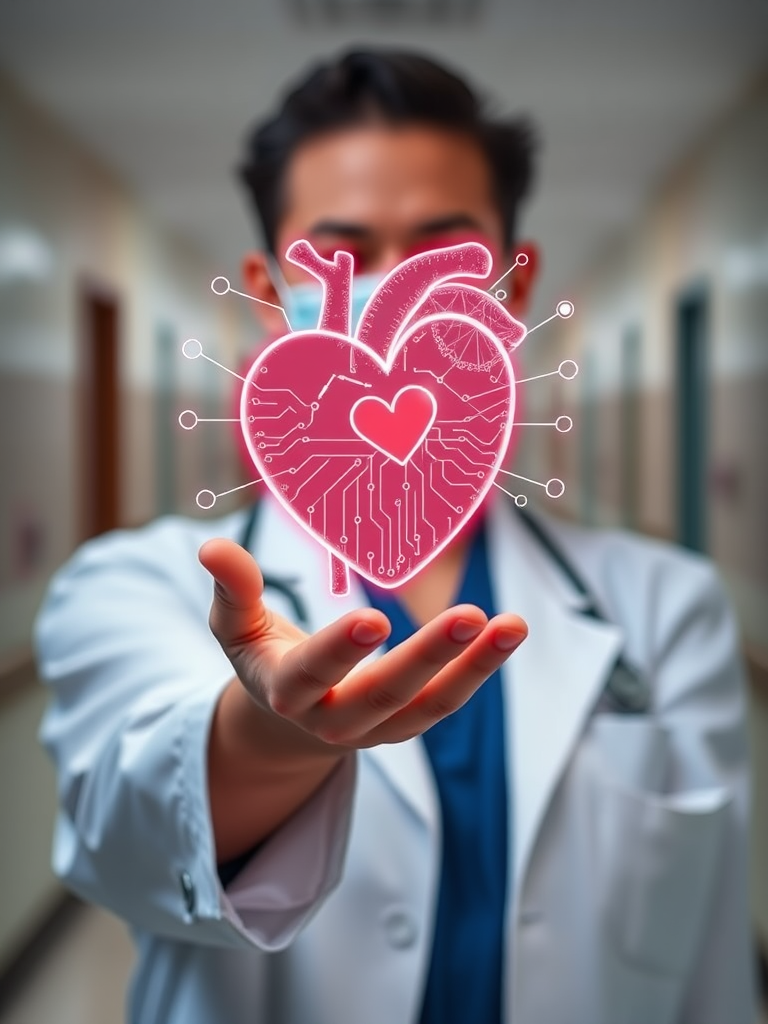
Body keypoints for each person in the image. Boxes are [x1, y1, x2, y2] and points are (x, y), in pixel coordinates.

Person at [35, 49, 755, 1024]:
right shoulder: (136, 584)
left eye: (439, 248)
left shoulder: (667, 609)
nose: (395, 283)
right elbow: (124, 838)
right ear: (265, 284)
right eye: (343, 250)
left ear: (510, 280)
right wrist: (271, 741)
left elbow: (713, 969)